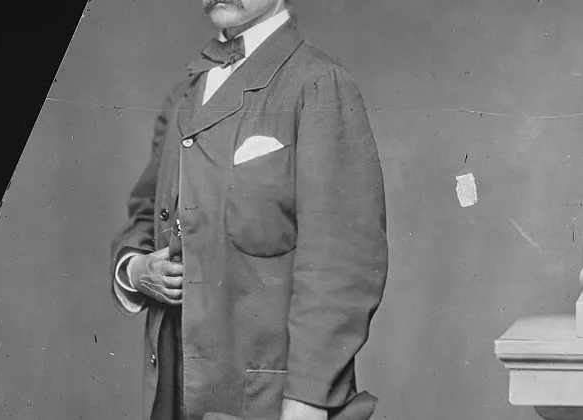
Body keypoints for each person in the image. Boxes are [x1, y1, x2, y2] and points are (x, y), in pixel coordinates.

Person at [109, 1, 389, 419]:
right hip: (174, 387)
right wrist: (136, 270)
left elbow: (343, 262)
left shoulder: (319, 83)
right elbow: (145, 212)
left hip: (267, 398)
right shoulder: (186, 94)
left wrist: (309, 400)